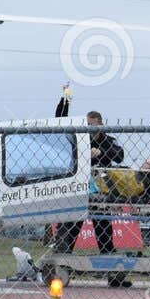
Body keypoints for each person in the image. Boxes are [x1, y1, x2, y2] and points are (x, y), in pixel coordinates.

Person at [54, 111, 128, 284]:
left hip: (101, 191)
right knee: (71, 226)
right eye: (87, 125)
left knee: (103, 229)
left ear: (100, 125)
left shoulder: (108, 140)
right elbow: (67, 155)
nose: (90, 129)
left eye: (93, 126)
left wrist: (101, 152)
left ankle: (112, 273)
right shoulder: (80, 139)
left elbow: (119, 155)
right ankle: (62, 263)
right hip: (80, 189)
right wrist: (86, 152)